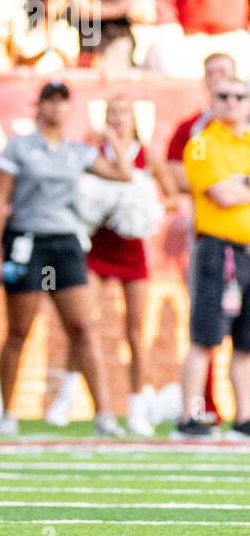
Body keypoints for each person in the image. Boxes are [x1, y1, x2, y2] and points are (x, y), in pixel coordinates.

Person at [0, 81, 135, 437]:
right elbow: (1, 202)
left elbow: (123, 173)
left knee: (83, 328)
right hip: (28, 240)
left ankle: (105, 414)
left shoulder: (75, 151)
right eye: (50, 101)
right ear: (39, 106)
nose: (56, 109)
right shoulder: (19, 147)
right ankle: (7, 412)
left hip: (65, 243)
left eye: (62, 102)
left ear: (69, 109)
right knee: (19, 330)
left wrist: (111, 135)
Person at [84, 96, 175, 437]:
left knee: (135, 332)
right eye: (112, 113)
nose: (118, 120)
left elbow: (169, 196)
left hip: (132, 250)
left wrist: (144, 211)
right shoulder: (93, 150)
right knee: (84, 323)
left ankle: (137, 407)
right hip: (97, 247)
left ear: (133, 118)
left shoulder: (146, 153)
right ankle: (89, 404)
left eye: (123, 113)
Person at [179, 77, 250, 440]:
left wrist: (243, 182)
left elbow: (234, 189)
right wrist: (238, 185)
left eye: (240, 96)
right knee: (206, 334)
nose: (232, 102)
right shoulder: (202, 144)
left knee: (246, 342)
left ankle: (244, 417)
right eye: (224, 96)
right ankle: (190, 415)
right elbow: (221, 194)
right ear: (212, 100)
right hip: (216, 248)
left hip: (248, 249)